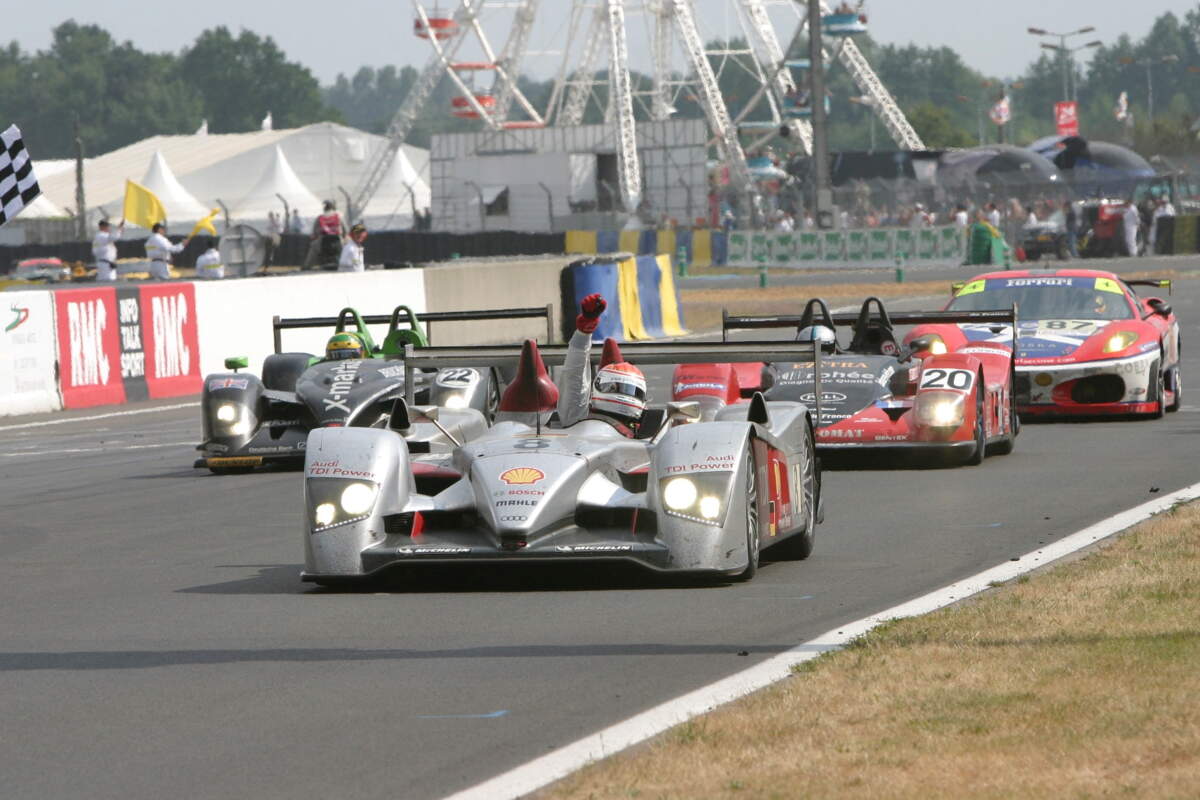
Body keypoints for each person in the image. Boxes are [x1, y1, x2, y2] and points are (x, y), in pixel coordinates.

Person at [558, 293, 646, 437]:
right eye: (615, 387)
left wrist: (584, 332)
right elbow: (574, 378)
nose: (622, 394)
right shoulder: (578, 421)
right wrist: (584, 332)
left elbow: (573, 377)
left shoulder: (648, 433)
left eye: (629, 389)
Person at [304, 201, 346, 268]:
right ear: (333, 208)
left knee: (313, 247)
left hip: (323, 240)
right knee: (347, 247)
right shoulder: (338, 216)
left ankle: (307, 266)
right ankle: (349, 264)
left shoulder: (320, 217)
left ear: (325, 208)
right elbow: (345, 230)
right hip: (338, 240)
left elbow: (314, 233)